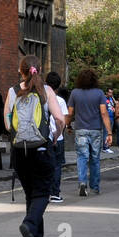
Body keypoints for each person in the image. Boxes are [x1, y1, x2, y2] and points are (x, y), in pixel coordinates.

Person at [5, 54, 68, 237]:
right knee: (42, 193)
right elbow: (60, 119)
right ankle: (30, 224)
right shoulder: (46, 90)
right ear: (38, 70)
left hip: (19, 150)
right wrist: (56, 136)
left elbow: (8, 123)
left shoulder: (12, 91)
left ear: (20, 71)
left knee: (31, 194)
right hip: (42, 148)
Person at [67, 68, 112, 196]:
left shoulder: (75, 93)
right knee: (95, 158)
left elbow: (70, 113)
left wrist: (68, 125)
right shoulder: (99, 93)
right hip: (96, 130)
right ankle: (95, 186)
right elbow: (104, 113)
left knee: (82, 157)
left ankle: (82, 182)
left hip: (81, 129)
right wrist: (109, 132)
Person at [45, 72, 68, 201]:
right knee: (57, 166)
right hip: (57, 138)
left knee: (46, 165)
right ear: (58, 86)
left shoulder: (42, 98)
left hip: (44, 137)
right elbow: (62, 121)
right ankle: (55, 193)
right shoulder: (60, 101)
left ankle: (45, 192)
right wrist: (58, 134)